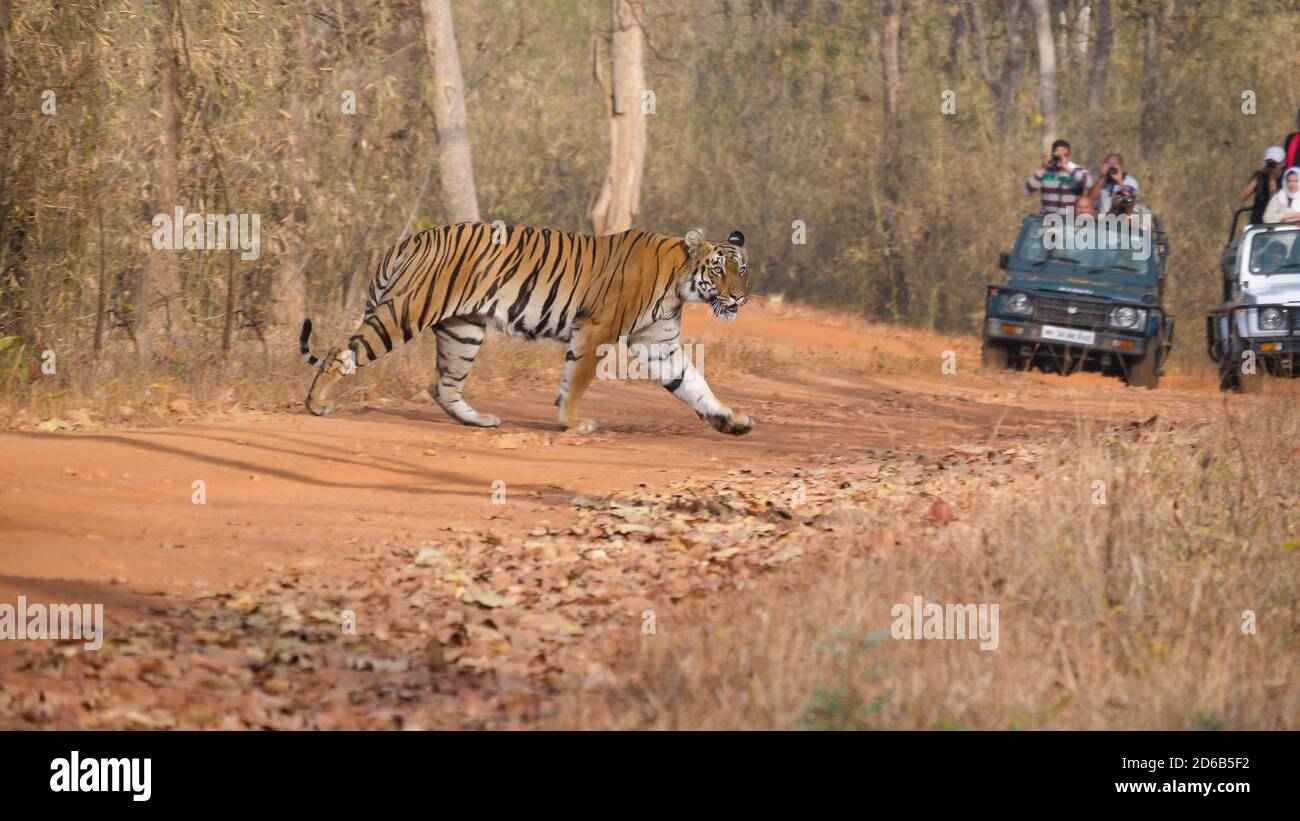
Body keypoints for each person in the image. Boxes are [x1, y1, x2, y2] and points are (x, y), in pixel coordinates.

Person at [1026, 138, 1092, 213]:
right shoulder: (1045, 170)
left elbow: (1089, 184)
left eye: (1065, 155)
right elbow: (1028, 190)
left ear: (1069, 156)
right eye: (1058, 156)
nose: (1061, 158)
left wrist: (1066, 167)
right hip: (1047, 218)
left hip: (1069, 219)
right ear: (1052, 155)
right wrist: (1042, 168)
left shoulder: (1078, 170)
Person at [1241, 145, 1285, 224]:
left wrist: (1271, 178)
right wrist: (1259, 175)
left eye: (1275, 163)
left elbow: (1274, 200)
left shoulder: (1286, 178)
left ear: (1282, 164)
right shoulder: (1261, 175)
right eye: (1269, 163)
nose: (1272, 166)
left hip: (1274, 223)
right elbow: (1243, 196)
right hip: (1256, 222)